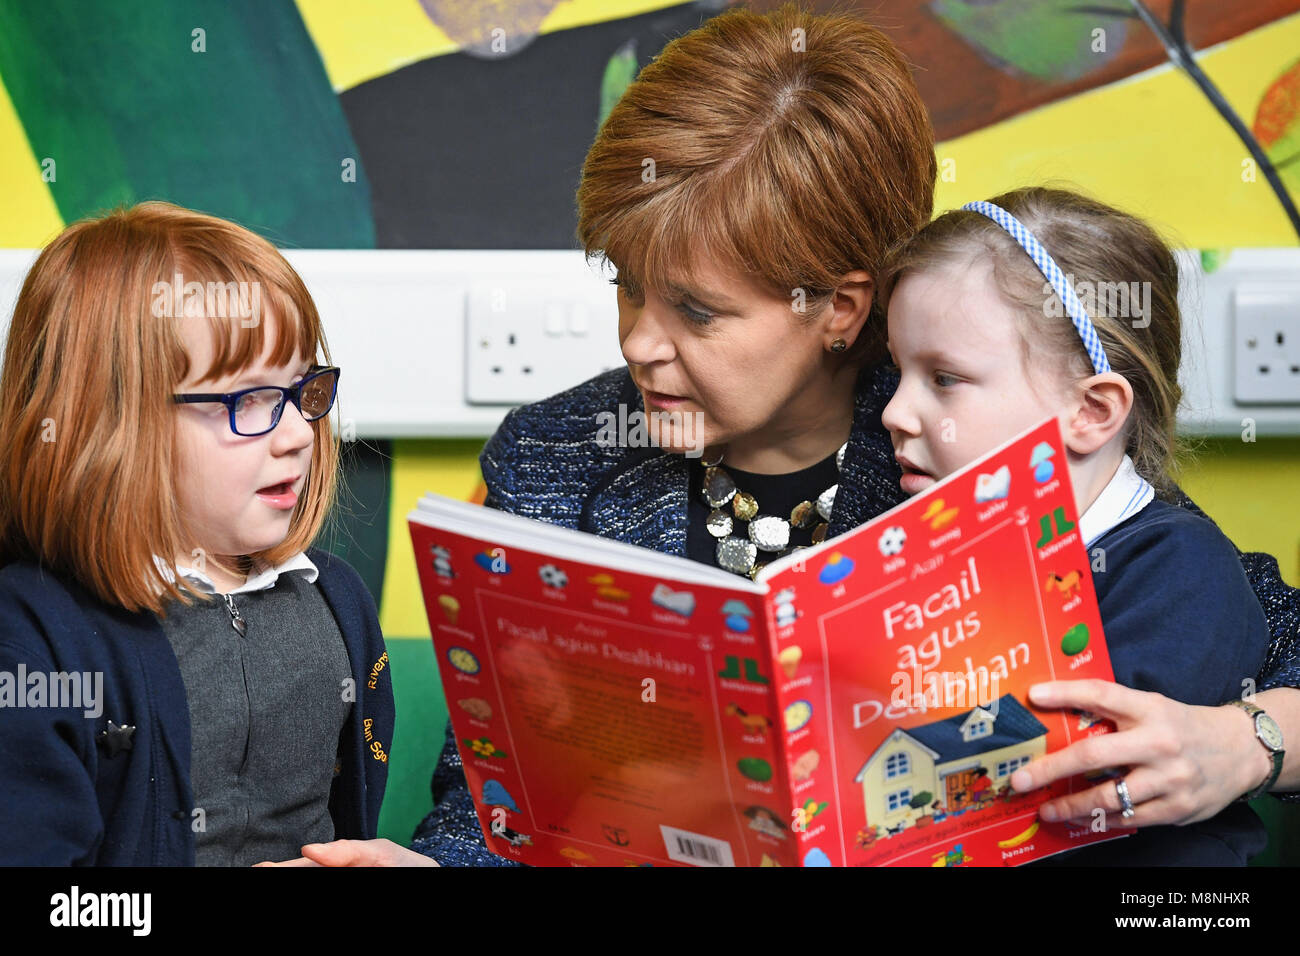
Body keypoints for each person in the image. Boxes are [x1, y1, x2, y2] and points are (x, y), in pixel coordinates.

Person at [296, 4, 1300, 867]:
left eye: (697, 311)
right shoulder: (558, 454)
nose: (641, 340)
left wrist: (1246, 738)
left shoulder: (964, 439)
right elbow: (495, 799)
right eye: (625, 282)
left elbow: (1242, 624)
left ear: (837, 306)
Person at [878, 185, 1272, 863]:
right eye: (897, 372)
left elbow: (1056, 779)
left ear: (1090, 413)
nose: (894, 412)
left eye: (942, 379)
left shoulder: (1179, 576)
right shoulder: (924, 552)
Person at [0, 202, 394, 865]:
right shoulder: (32, 635)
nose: (300, 434)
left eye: (302, 389)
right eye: (249, 399)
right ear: (109, 426)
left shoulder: (339, 601)